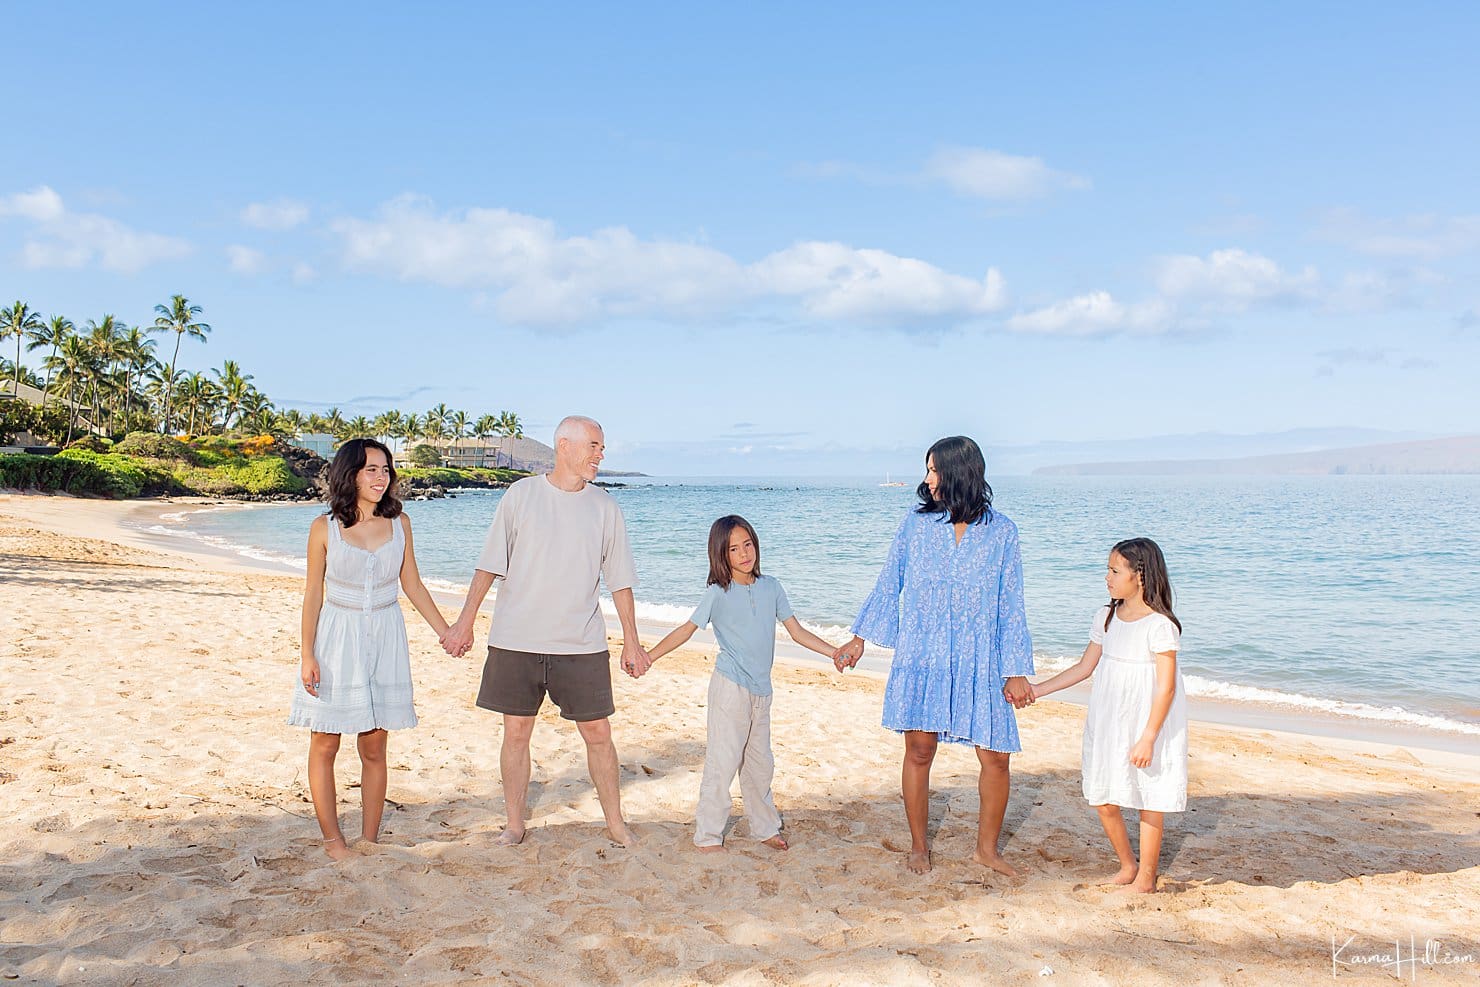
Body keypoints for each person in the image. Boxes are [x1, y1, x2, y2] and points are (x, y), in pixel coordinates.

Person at [441, 415, 651, 847]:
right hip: (516, 639)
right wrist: (465, 622)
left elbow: (620, 580)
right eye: (594, 445)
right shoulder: (520, 496)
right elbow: (489, 563)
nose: (600, 454)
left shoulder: (605, 507)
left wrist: (631, 641)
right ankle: (514, 824)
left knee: (599, 734)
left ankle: (615, 823)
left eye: (601, 446)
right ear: (564, 445)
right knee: (517, 733)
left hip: (581, 643)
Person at [833, 436, 1034, 876]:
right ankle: (919, 846)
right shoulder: (916, 524)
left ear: (958, 472)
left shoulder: (1002, 532)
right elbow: (890, 581)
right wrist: (859, 639)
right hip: (923, 652)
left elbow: (1011, 604)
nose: (927, 479)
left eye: (933, 470)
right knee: (920, 750)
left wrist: (1016, 670)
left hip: (981, 656)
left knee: (996, 756)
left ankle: (987, 850)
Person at [290, 438, 451, 861]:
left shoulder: (401, 523)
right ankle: (333, 841)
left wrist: (446, 632)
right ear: (351, 475)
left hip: (385, 635)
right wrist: (307, 654)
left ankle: (370, 840)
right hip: (336, 637)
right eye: (371, 470)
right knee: (325, 743)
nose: (381, 478)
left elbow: (412, 584)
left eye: (385, 469)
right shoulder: (324, 527)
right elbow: (312, 594)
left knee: (375, 746)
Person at [645, 515, 841, 852]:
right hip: (730, 689)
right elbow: (686, 630)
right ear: (721, 554)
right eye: (734, 549)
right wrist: (649, 657)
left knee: (760, 765)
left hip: (762, 691)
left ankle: (765, 828)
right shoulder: (717, 593)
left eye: (747, 544)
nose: (744, 553)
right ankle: (708, 835)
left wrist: (834, 652)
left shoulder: (772, 587)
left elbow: (796, 631)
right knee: (722, 763)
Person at [1026, 537, 1185, 894]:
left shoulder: (1160, 625)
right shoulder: (1107, 617)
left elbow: (1166, 688)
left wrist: (1149, 737)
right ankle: (1128, 864)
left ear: (1140, 576)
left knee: (1149, 796)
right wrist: (1038, 690)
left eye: (1114, 571)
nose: (1107, 577)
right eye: (1108, 570)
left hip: (1147, 720)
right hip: (1109, 716)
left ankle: (1146, 877)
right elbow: (1084, 667)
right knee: (1102, 794)